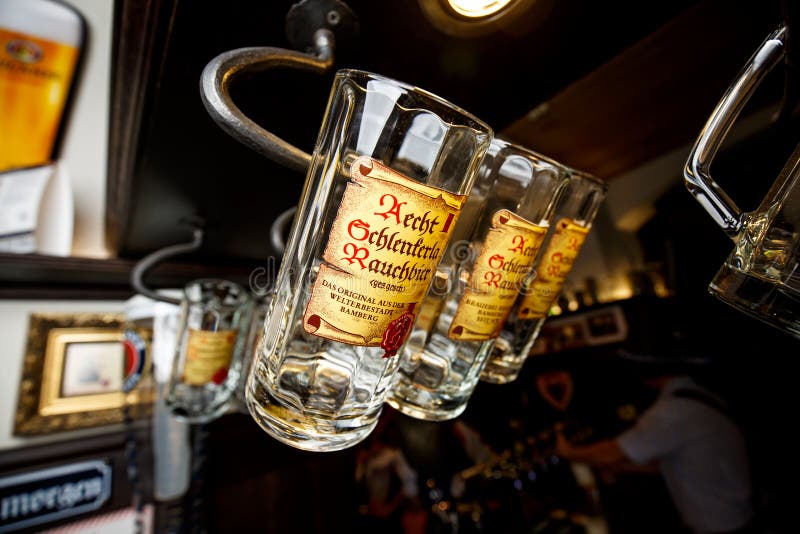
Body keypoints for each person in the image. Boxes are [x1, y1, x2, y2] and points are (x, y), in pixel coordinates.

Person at [555, 365, 755, 534]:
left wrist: (568, 452)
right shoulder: (696, 395)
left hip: (722, 526)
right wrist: (623, 467)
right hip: (735, 516)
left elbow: (610, 454)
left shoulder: (674, 411)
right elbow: (665, 463)